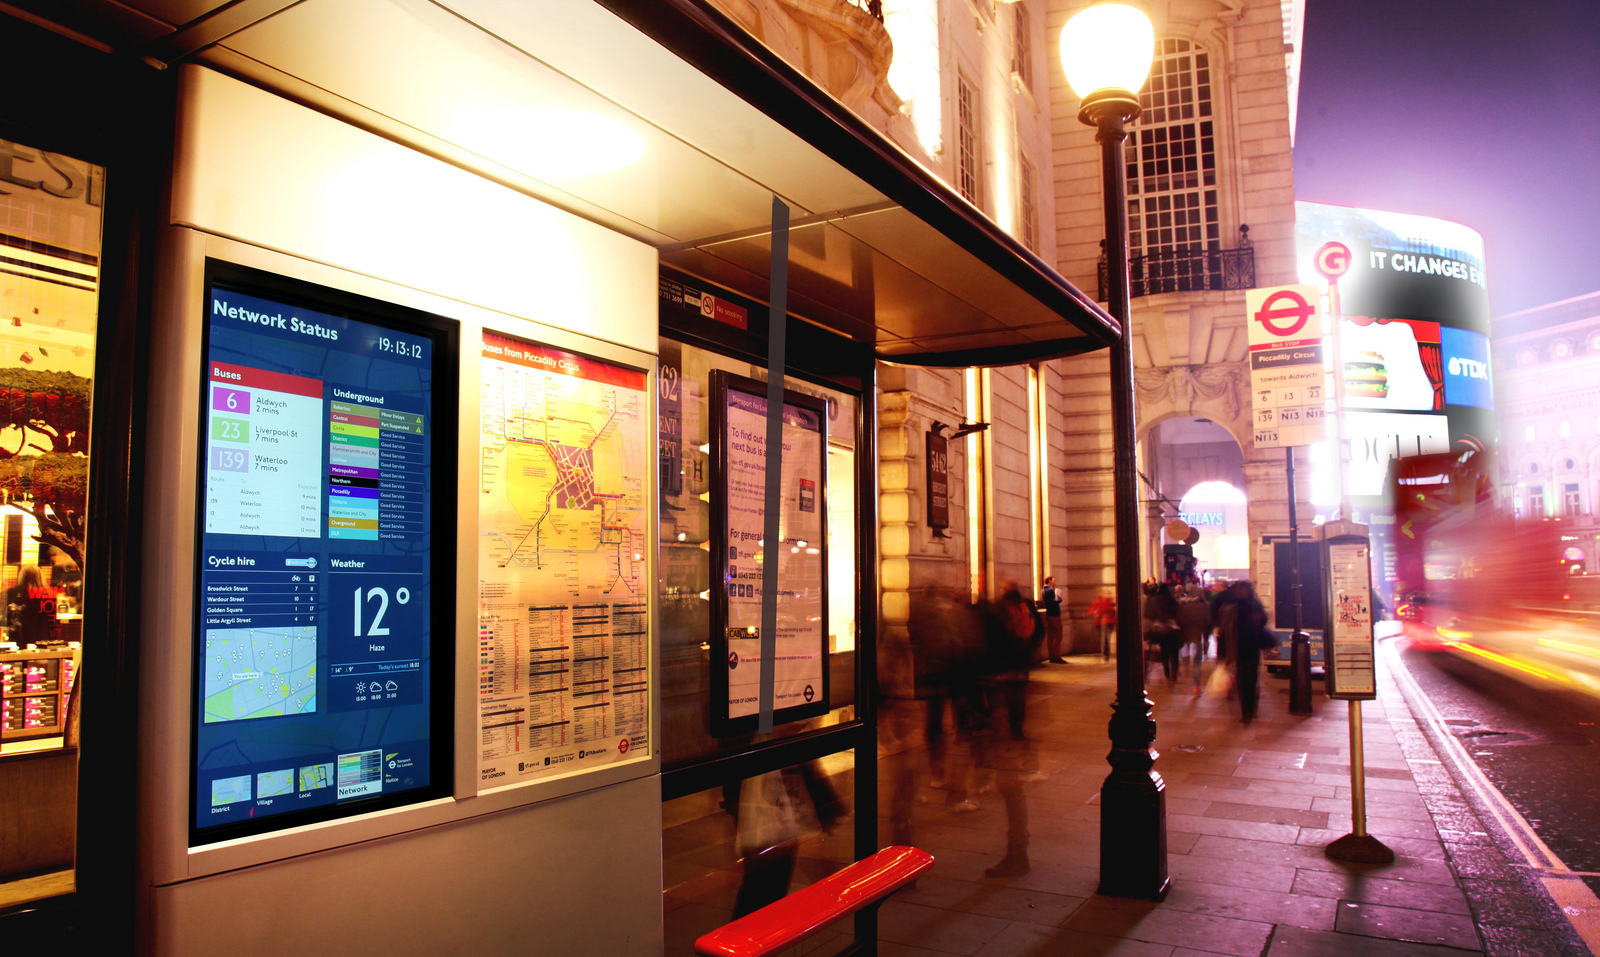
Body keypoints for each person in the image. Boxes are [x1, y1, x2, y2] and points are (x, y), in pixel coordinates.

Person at [1219, 580, 1274, 723]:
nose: (1241, 592)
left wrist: (1259, 620)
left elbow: (1263, 621)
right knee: (1242, 679)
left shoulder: (1253, 605)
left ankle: (1250, 708)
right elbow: (1225, 630)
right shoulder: (1232, 606)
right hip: (1239, 647)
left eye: (1243, 590)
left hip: (1252, 646)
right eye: (1239, 590)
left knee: (1251, 678)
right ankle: (1247, 711)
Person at [1177, 582, 1212, 696]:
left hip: (1185, 636)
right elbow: (1208, 621)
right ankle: (1196, 685)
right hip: (1197, 635)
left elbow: (1180, 620)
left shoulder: (1184, 605)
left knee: (1185, 658)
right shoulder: (1204, 606)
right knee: (1197, 662)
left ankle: (1185, 679)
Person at [1141, 581, 1181, 683]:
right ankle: (1174, 673)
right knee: (1174, 652)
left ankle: (1166, 672)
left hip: (1159, 630)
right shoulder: (1172, 600)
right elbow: (1177, 613)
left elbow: (1149, 615)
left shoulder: (1154, 600)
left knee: (1164, 651)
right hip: (1171, 630)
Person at [1040, 575, 1065, 663]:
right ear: (1049, 581)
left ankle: (1052, 655)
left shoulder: (1043, 590)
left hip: (1049, 614)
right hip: (1054, 615)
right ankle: (1056, 656)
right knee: (1058, 636)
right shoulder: (1050, 590)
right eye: (1054, 580)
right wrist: (1059, 599)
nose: (1055, 582)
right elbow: (1053, 602)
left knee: (1050, 636)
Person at [1088, 590, 1116, 660]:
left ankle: (1106, 653)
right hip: (1102, 621)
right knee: (1105, 638)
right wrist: (1094, 612)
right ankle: (1105, 653)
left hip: (1108, 621)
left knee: (1106, 637)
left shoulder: (1110, 602)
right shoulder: (1099, 601)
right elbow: (1091, 610)